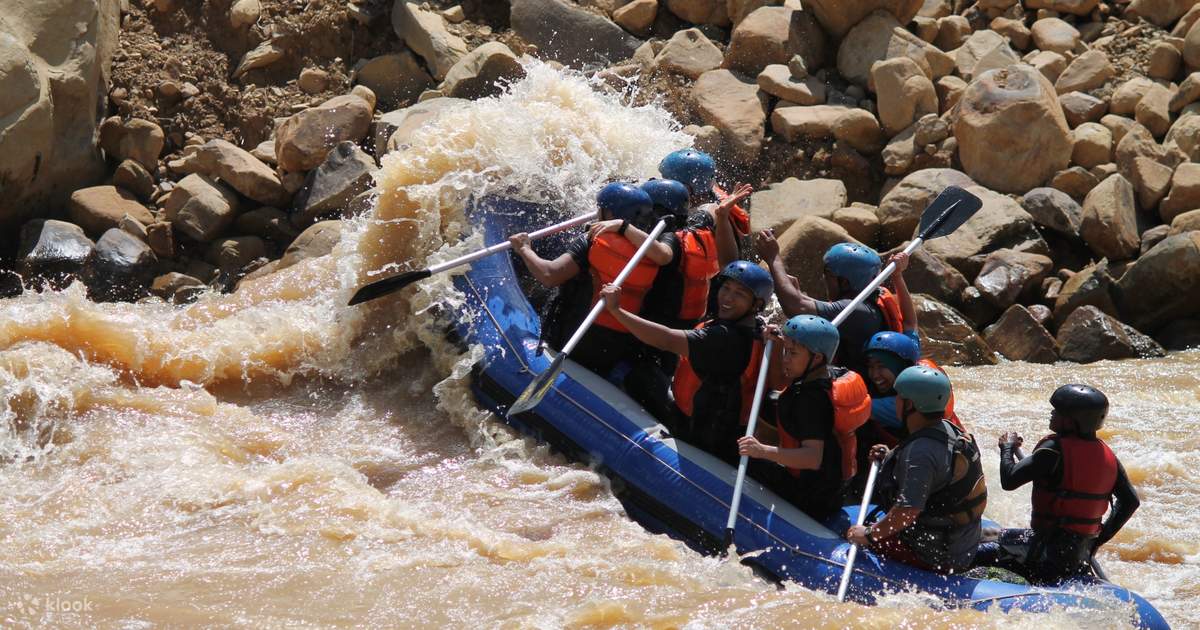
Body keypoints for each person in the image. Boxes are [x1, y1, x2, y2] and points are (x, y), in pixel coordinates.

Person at [597, 260, 772, 463]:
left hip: (697, 434)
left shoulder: (724, 339)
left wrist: (617, 310)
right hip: (715, 425)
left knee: (638, 377)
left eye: (739, 294)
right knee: (646, 372)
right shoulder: (757, 327)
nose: (727, 298)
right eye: (726, 288)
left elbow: (666, 339)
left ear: (756, 305)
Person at [974, 385, 1139, 585]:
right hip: (1077, 554)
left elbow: (1009, 480)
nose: (1052, 413)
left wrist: (1006, 447)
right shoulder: (1108, 456)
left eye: (1058, 411)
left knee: (971, 549)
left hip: (1044, 550)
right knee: (992, 534)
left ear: (1073, 422)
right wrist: (1096, 542)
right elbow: (1130, 502)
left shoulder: (1053, 450)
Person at [509, 182, 664, 379]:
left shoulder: (594, 241)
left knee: (543, 293)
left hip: (577, 339)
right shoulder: (651, 251)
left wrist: (524, 248)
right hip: (616, 346)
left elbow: (549, 275)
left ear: (609, 214)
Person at [846, 366, 987, 575]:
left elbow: (907, 512)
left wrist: (868, 534)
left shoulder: (921, 452)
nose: (895, 401)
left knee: (849, 534)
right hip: (961, 542)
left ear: (909, 404)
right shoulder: (949, 428)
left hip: (935, 555)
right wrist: (889, 456)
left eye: (898, 397)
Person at [736, 315, 872, 521]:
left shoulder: (810, 402)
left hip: (810, 495)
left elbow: (811, 458)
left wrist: (761, 450)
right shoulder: (830, 374)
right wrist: (778, 341)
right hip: (832, 486)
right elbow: (780, 382)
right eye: (785, 351)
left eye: (792, 353)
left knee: (739, 458)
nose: (785, 358)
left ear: (816, 358)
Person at [756, 234, 905, 380]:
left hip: (858, 393)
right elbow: (808, 304)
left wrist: (773, 258)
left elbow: (795, 307)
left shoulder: (854, 311)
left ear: (845, 283)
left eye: (827, 273)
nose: (823, 278)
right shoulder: (870, 299)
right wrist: (798, 293)